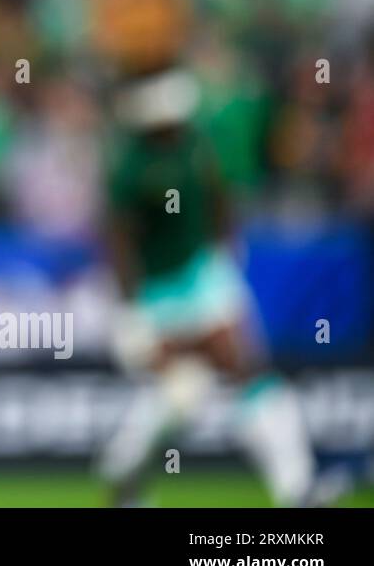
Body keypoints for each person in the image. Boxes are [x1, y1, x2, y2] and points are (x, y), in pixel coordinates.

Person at [95, 65, 318, 507]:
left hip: (202, 274)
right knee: (185, 390)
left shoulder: (197, 147)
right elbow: (119, 242)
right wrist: (130, 311)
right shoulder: (131, 169)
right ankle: (123, 473)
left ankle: (296, 487)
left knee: (244, 372)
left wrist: (223, 256)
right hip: (159, 292)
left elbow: (220, 198)